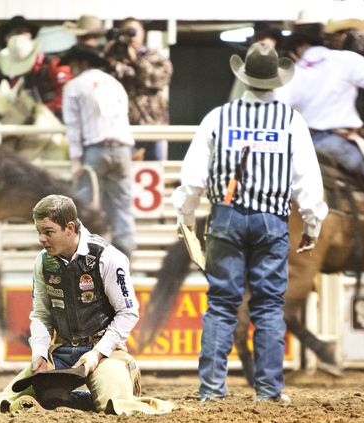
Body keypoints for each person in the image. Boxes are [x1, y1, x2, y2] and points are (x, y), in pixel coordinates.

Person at [171, 42, 328, 403]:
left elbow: (193, 176)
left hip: (226, 219)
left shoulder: (218, 117)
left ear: (244, 77)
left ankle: (211, 388)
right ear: (276, 81)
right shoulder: (290, 121)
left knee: (222, 304)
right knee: (269, 305)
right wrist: (312, 224)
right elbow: (307, 179)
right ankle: (269, 390)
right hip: (271, 222)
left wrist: (187, 217)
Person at [0, 194, 173, 415]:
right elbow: (41, 315)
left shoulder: (108, 257)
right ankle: (81, 400)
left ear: (69, 228)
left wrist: (96, 354)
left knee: (114, 405)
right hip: (62, 352)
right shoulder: (42, 262)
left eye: (48, 232)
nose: (41, 239)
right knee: (6, 402)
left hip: (105, 352)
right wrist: (39, 354)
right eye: (39, 232)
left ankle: (101, 395)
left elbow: (128, 312)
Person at [276, 20, 364, 181]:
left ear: (297, 46)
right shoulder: (345, 60)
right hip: (337, 143)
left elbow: (276, 108)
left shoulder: (293, 73)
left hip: (300, 147)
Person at [61, 44, 136, 258]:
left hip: (94, 149)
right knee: (121, 204)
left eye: (73, 65)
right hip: (122, 149)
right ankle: (125, 257)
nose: (71, 70)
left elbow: (73, 126)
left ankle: (87, 255)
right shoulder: (115, 84)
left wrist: (75, 159)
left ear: (82, 63)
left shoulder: (75, 86)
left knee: (86, 204)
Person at [106, 18, 173, 161]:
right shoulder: (113, 58)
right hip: (120, 126)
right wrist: (108, 56)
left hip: (150, 125)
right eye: (127, 33)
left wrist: (136, 60)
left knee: (152, 169)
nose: (131, 37)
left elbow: (157, 81)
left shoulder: (155, 57)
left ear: (143, 33)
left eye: (134, 32)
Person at [0, 17, 73, 119]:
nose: (22, 35)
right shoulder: (17, 77)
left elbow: (68, 95)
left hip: (57, 121)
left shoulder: (53, 65)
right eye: (17, 32)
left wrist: (41, 110)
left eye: (24, 32)